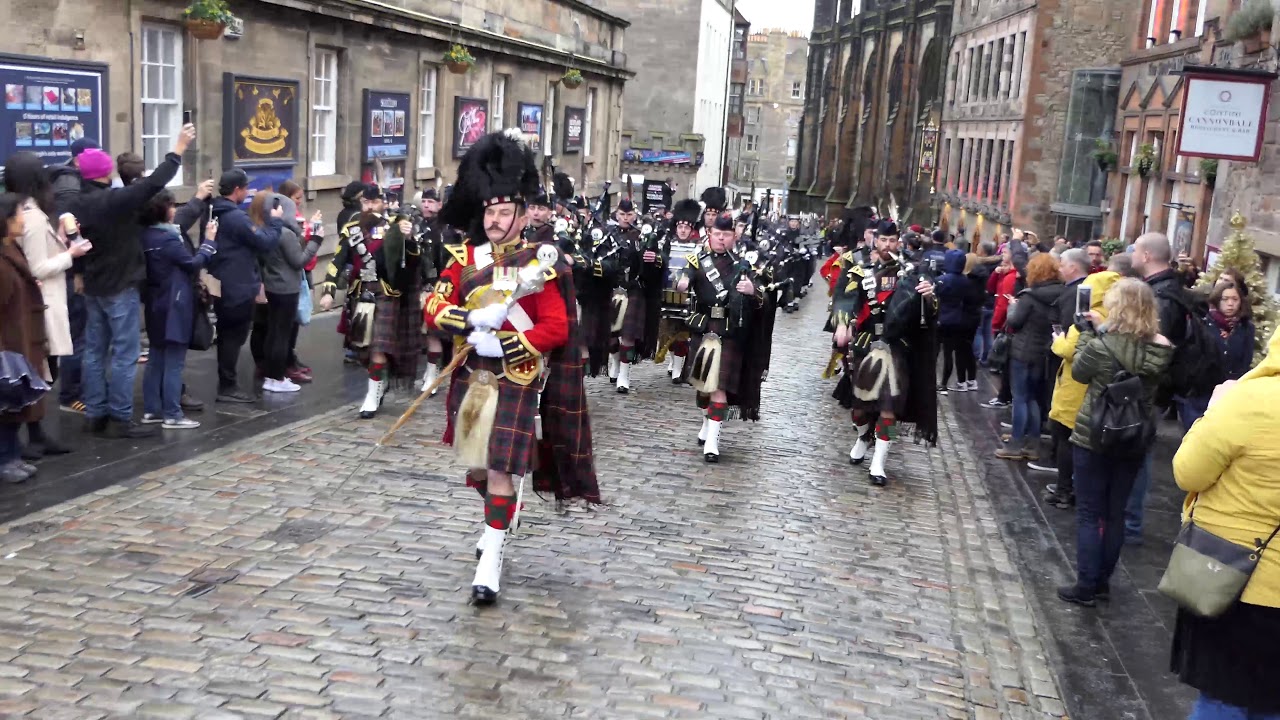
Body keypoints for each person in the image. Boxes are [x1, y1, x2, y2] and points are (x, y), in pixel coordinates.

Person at [423, 129, 587, 604]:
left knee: (499, 468)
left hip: (514, 376)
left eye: (503, 213)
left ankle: (490, 558)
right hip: (471, 376)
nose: (494, 221)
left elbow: (557, 327)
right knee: (476, 470)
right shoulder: (463, 258)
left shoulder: (541, 262)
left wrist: (509, 342)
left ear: (520, 214)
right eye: (489, 212)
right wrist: (469, 319)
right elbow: (433, 306)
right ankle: (501, 512)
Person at [1169, 331, 1280, 719]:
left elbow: (1188, 472)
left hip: (1235, 580)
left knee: (1223, 699)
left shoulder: (1250, 400)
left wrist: (1213, 411)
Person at [1057, 278, 1172, 606]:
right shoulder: (1160, 347)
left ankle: (1085, 586)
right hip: (1134, 434)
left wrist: (1086, 337)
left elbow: (1079, 373)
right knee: (1115, 512)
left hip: (1095, 432)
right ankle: (1103, 582)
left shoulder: (1101, 344)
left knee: (1090, 513)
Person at [73, 125, 193, 439]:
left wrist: (79, 274)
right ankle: (121, 417)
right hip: (120, 282)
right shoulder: (116, 201)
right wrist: (177, 149)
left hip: (94, 283)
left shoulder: (79, 203)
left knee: (94, 351)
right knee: (125, 353)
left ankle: (95, 414)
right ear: (105, 172)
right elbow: (155, 182)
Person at [833, 220, 939, 486]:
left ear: (898, 242)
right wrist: (844, 323)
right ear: (874, 240)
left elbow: (929, 304)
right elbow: (844, 298)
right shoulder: (858, 267)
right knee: (859, 408)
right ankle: (863, 436)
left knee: (888, 407)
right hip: (865, 344)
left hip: (896, 346)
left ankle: (879, 463)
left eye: (892, 241)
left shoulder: (911, 270)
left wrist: (928, 295)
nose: (887, 246)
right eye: (883, 240)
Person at [6, 152, 85, 459]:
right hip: (43, 304)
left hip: (33, 301)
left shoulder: (21, 211)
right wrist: (71, 255)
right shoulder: (34, 218)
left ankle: (36, 433)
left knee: (37, 375)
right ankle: (30, 437)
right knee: (39, 375)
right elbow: (38, 267)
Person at [319, 185, 422, 419]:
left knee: (379, 347)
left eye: (374, 203)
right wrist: (328, 290)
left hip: (387, 293)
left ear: (383, 203)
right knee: (363, 350)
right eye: (365, 203)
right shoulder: (351, 229)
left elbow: (414, 261)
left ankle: (371, 397)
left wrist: (408, 239)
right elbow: (337, 261)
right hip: (360, 294)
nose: (369, 208)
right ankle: (380, 381)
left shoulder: (397, 225)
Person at [675, 212, 769, 461]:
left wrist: (753, 291)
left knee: (720, 389)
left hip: (729, 331)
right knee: (704, 388)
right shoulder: (697, 261)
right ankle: (707, 424)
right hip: (704, 328)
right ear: (710, 233)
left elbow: (764, 297)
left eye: (726, 235)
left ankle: (713, 442)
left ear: (734, 236)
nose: (721, 238)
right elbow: (683, 277)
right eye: (717, 234)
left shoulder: (744, 264)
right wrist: (681, 282)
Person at [1042, 270, 1120, 509]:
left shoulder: (1088, 317)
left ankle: (1065, 489)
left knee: (1066, 439)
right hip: (1099, 390)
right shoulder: (1117, 318)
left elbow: (1070, 350)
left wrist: (1058, 340)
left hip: (1075, 388)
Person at [140, 191, 218, 428]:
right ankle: (172, 413)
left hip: (156, 302)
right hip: (175, 303)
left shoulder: (147, 236)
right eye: (172, 206)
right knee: (173, 362)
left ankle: (153, 410)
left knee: (156, 358)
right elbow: (192, 263)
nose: (175, 210)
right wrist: (209, 242)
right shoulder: (169, 240)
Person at [209, 170, 285, 403]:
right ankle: (228, 386)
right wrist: (276, 222)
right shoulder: (235, 218)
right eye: (245, 188)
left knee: (226, 334)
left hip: (220, 280)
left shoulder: (214, 211)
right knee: (233, 335)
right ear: (237, 190)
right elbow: (265, 242)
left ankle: (227, 382)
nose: (247, 192)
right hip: (237, 285)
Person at [0, 193, 49, 483]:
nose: (23, 219)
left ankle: (12, 455)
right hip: (8, 344)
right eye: (19, 214)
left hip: (20, 339)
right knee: (5, 405)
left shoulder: (12, 250)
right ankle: (5, 458)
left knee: (14, 405)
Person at [251, 193, 321, 394]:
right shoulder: (285, 234)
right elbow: (299, 261)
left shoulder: (267, 230)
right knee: (281, 335)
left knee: (274, 332)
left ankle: (271, 376)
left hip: (273, 285)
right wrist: (316, 241)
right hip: (286, 287)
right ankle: (277, 377)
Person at [997, 253, 1063, 460]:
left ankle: (1015, 444)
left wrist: (1013, 306)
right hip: (1043, 351)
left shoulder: (1030, 296)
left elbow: (1015, 322)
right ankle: (1032, 443)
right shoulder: (1061, 294)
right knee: (1033, 398)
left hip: (1023, 351)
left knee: (1020, 398)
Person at [1176, 281, 1255, 429]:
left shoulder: (1246, 328)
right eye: (1225, 299)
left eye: (1235, 299)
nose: (1230, 303)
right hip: (1200, 393)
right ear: (1217, 300)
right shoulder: (1203, 322)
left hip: (1228, 394)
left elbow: (1246, 360)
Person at [277, 179, 321, 384]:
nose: (299, 204)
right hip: (286, 283)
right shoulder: (285, 229)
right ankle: (282, 367)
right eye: (295, 199)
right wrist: (313, 237)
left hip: (296, 277)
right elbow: (298, 258)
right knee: (285, 327)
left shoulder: (290, 225)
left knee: (292, 326)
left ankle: (289, 360)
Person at [980, 242, 1026, 409]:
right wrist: (995, 273)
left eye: (1005, 252)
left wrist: (996, 323)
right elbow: (991, 288)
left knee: (1005, 363)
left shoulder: (1011, 278)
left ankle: (1004, 396)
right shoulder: (1006, 274)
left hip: (1005, 324)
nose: (1002, 255)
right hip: (1005, 322)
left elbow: (1002, 303)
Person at [934, 248, 981, 393]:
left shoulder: (941, 280)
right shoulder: (967, 282)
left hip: (942, 320)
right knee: (952, 352)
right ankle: (945, 383)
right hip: (959, 321)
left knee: (940, 353)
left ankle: (939, 382)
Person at [971, 240, 998, 364]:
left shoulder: (978, 267)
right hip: (992, 302)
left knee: (978, 330)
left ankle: (976, 356)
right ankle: (987, 357)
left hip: (982, 302)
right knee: (988, 332)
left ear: (982, 251)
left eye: (978, 249)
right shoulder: (997, 266)